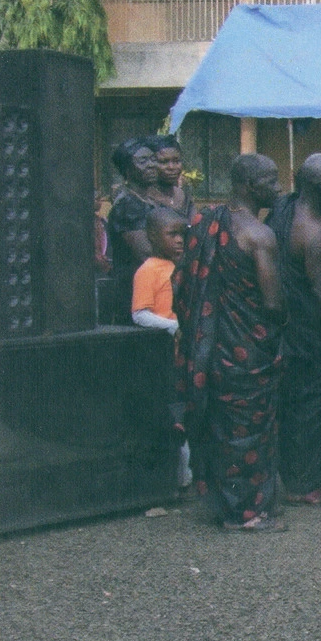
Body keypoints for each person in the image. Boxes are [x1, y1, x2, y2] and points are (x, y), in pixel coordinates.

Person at [173, 153, 287, 532]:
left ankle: (225, 501)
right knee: (247, 429)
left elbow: (184, 284)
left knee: (220, 425)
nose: (278, 187)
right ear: (250, 185)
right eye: (271, 180)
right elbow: (272, 303)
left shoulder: (203, 222)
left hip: (208, 347)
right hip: (247, 350)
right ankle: (246, 514)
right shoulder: (259, 235)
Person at [273, 154, 321, 507]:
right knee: (314, 404)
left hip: (294, 328)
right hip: (312, 331)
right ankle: (302, 483)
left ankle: (317, 471)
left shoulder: (284, 209)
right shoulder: (314, 230)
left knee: (304, 400)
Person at [132, 205, 193, 490]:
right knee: (174, 416)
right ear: (153, 237)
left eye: (182, 234)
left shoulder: (184, 266)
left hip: (188, 352)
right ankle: (178, 480)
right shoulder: (148, 270)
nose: (179, 240)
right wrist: (171, 326)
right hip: (165, 354)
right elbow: (140, 314)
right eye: (172, 235)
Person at [105, 137, 163, 326]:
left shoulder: (150, 201)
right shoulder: (128, 206)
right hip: (135, 293)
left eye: (153, 159)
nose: (152, 165)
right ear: (127, 171)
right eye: (143, 161)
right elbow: (145, 253)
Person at [147, 134, 196, 222]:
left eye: (176, 161)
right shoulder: (145, 199)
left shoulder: (184, 196)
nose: (171, 167)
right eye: (163, 162)